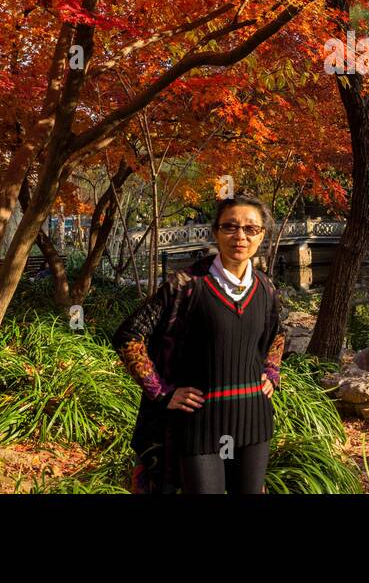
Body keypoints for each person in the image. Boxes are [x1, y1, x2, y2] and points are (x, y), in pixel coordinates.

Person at [114, 193, 284, 495]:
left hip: (254, 420)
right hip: (200, 423)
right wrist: (161, 392)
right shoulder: (187, 285)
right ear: (216, 232)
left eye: (250, 228)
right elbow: (129, 335)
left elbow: (277, 334)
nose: (240, 236)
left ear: (262, 235)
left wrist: (271, 372)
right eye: (230, 227)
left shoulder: (265, 287)